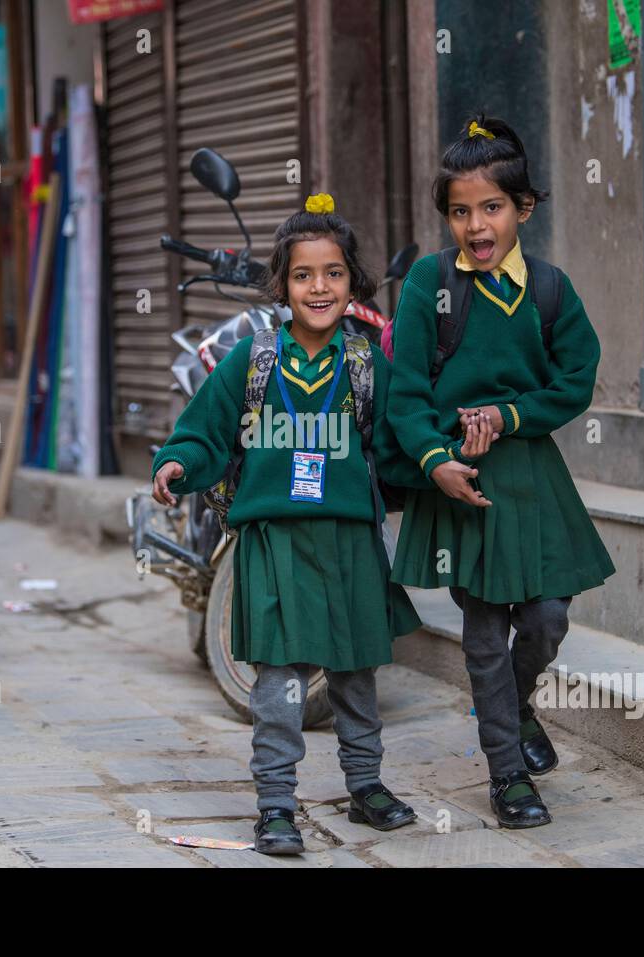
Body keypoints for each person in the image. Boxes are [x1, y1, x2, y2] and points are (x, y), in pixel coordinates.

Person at [150, 194, 427, 855]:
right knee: (279, 681)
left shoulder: (366, 366)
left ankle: (366, 786)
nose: (319, 286)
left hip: (352, 541)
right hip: (273, 543)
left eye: (332, 273)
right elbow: (202, 432)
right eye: (303, 275)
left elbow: (396, 446)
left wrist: (435, 465)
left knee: (358, 674)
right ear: (283, 283)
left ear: (352, 280)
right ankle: (275, 803)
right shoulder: (251, 362)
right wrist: (175, 466)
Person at [387, 115, 617, 828]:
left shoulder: (549, 289)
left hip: (530, 476)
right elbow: (406, 392)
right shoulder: (431, 283)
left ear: (524, 208)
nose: (476, 226)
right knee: (484, 632)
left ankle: (516, 710)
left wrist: (511, 417)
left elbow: (576, 378)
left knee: (547, 618)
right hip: (458, 477)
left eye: (491, 208)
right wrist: (437, 460)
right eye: (460, 211)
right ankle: (507, 773)